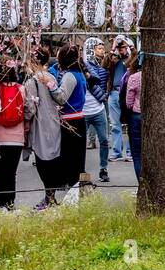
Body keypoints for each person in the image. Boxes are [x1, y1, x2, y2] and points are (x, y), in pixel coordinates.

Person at [24, 47, 73, 209]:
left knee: (42, 161)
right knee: (53, 158)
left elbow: (30, 108)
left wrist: (24, 118)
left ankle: (49, 197)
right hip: (54, 121)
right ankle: (50, 197)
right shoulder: (51, 76)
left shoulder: (32, 81)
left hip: (40, 123)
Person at [0, 56, 26, 211]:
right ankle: (10, 205)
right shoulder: (21, 88)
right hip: (16, 139)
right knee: (11, 173)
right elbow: (29, 111)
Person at [52, 45, 88, 190]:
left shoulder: (69, 76)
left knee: (68, 154)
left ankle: (69, 182)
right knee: (78, 155)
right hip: (79, 117)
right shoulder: (80, 74)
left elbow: (61, 98)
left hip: (69, 120)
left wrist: (51, 88)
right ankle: (77, 182)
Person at [83, 41, 111, 183]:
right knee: (81, 143)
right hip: (83, 111)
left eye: (102, 48)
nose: (101, 51)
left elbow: (100, 79)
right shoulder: (74, 71)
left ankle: (103, 168)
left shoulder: (97, 66)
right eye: (98, 48)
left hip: (98, 108)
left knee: (104, 140)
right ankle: (80, 171)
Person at [108, 37, 132, 163]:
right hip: (113, 92)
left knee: (129, 124)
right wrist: (112, 50)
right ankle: (117, 152)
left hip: (127, 94)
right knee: (115, 125)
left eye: (123, 47)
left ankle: (130, 152)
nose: (121, 50)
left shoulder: (130, 58)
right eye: (119, 47)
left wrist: (130, 49)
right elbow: (105, 64)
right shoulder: (113, 59)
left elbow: (133, 61)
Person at [124, 52, 144, 181]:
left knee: (137, 154)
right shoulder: (157, 76)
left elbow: (128, 102)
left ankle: (141, 183)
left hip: (137, 114)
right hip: (152, 117)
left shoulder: (134, 77)